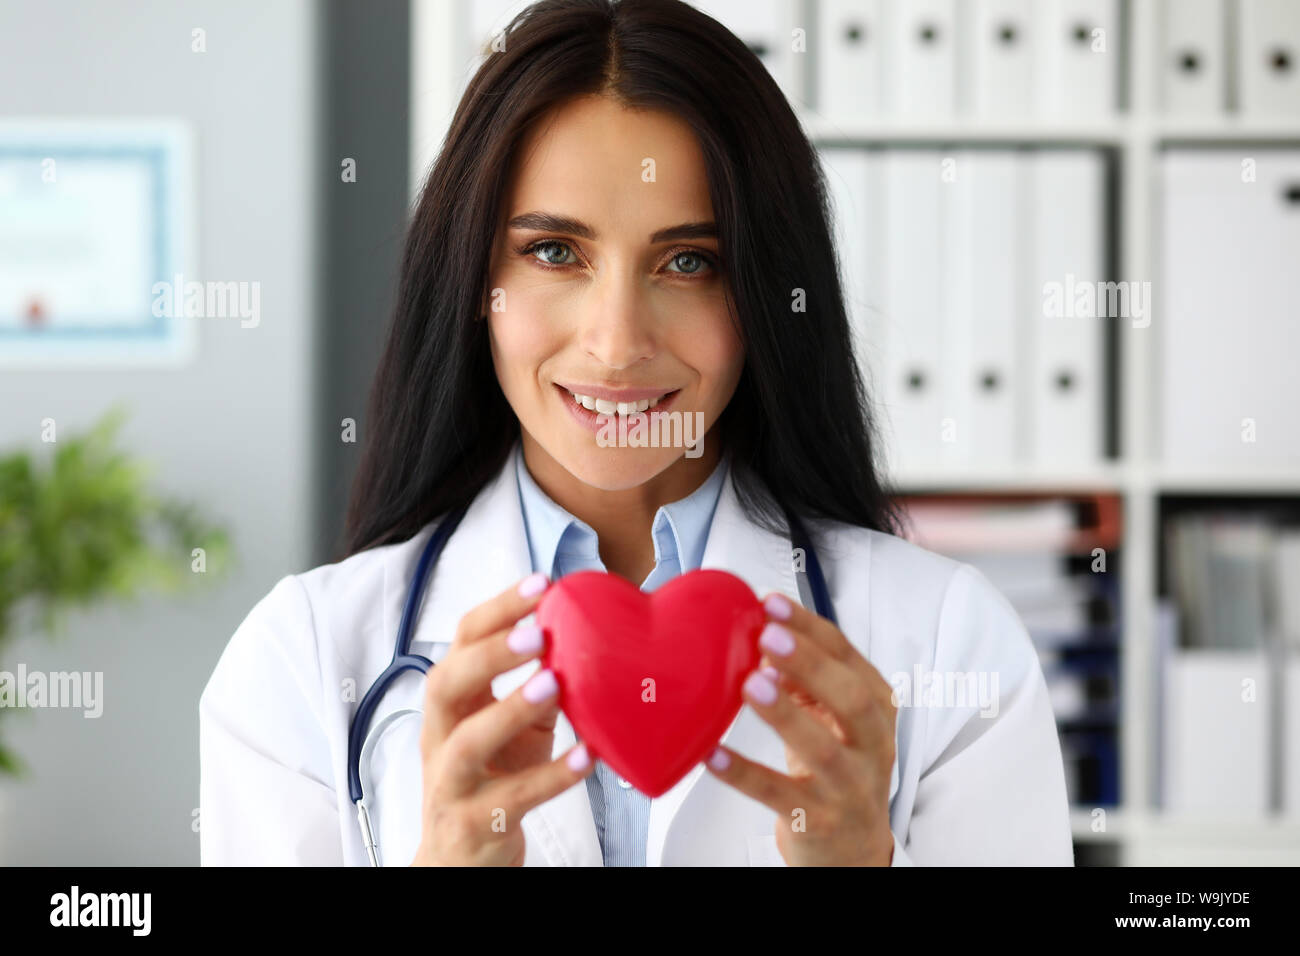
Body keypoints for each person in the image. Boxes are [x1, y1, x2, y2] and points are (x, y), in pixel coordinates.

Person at [199, 0, 1073, 866]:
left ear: (766, 295)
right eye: (553, 252)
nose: (617, 342)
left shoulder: (948, 644)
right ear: (474, 278)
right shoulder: (301, 662)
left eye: (689, 262)